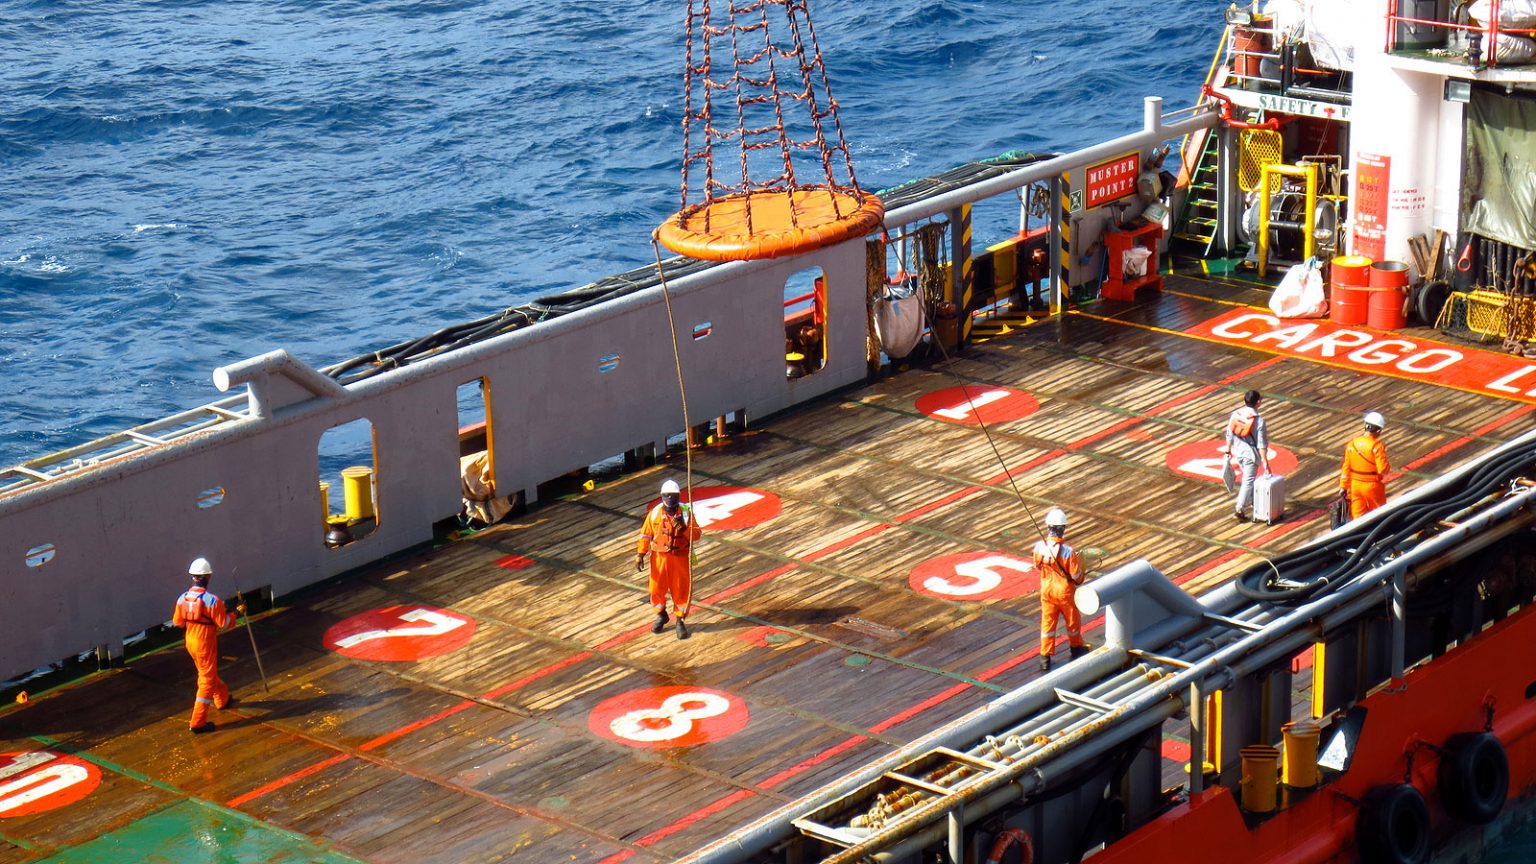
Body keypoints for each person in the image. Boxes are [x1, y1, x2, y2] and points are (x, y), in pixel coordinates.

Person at [171, 557, 239, 733]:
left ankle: (222, 698)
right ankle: (197, 722)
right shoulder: (212, 601)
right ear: (208, 577)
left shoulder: (182, 598)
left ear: (193, 577)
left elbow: (178, 622)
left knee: (206, 673)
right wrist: (237, 613)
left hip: (190, 641)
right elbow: (224, 623)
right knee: (207, 680)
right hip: (205, 642)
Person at [636, 479, 702, 640]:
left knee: (681, 589)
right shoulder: (655, 514)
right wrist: (640, 554)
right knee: (655, 589)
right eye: (667, 496)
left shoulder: (686, 513)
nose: (670, 499)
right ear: (662, 496)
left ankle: (680, 620)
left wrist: (685, 528)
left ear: (678, 496)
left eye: (673, 496)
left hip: (679, 558)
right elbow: (645, 535)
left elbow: (697, 535)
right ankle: (661, 614)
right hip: (659, 558)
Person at [1034, 508, 1088, 672]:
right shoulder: (1068, 552)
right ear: (1062, 528)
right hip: (1064, 592)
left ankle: (1045, 658)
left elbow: (1037, 565)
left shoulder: (1038, 547)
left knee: (1047, 624)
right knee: (1072, 621)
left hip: (1047, 590)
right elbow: (1076, 575)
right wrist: (1080, 578)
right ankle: (1076, 648)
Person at [1225, 389, 1271, 522]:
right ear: (1259, 402)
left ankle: (1253, 502)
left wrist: (1228, 450)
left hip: (1237, 452)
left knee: (1248, 479)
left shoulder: (1236, 414)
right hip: (1250, 456)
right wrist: (1265, 461)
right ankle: (1239, 509)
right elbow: (1261, 444)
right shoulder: (1259, 421)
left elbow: (1229, 433)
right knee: (1248, 481)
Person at [1340, 411, 1390, 519]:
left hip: (1355, 485)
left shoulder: (1352, 444)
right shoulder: (1377, 446)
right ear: (1378, 430)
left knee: (1357, 517)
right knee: (1380, 515)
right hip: (1372, 486)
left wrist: (1343, 486)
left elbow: (1346, 467)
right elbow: (1383, 469)